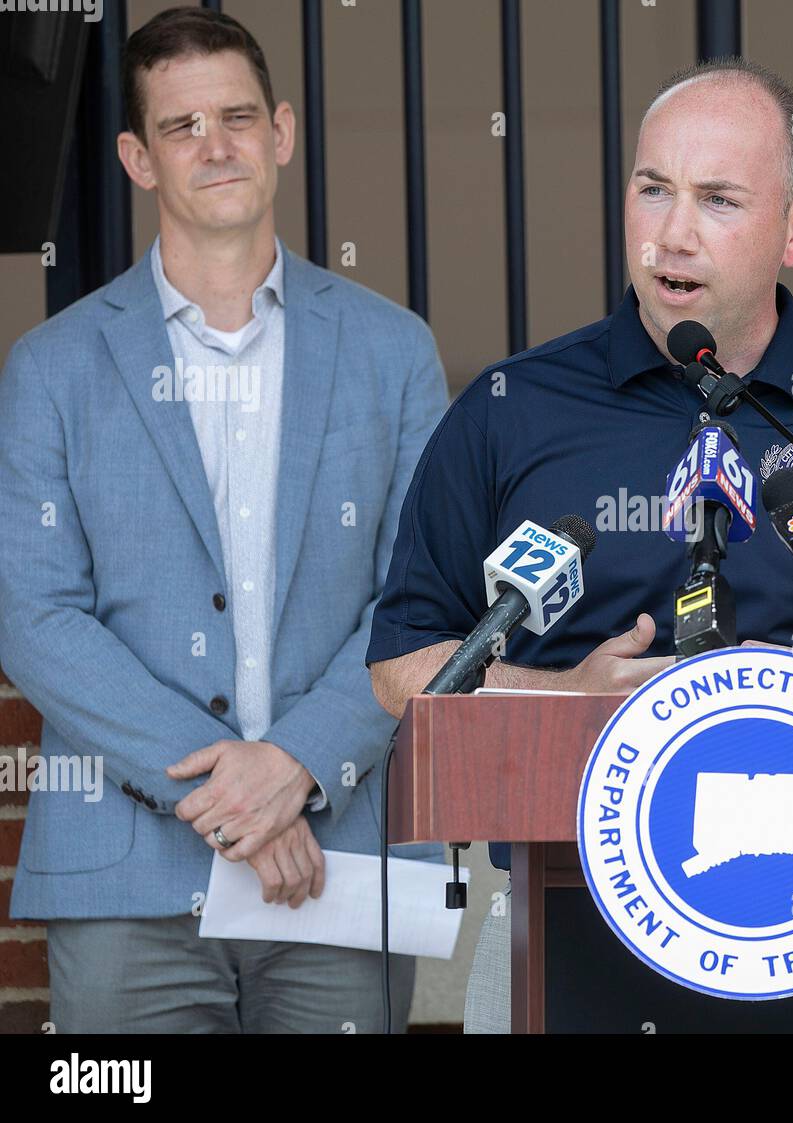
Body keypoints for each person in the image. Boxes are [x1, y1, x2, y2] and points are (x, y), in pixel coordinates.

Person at [367, 57, 793, 1032]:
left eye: (718, 199)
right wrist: (565, 699)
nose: (671, 231)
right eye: (652, 187)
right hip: (557, 915)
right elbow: (402, 669)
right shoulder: (507, 411)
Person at [0, 7, 447, 1032]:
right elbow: (35, 616)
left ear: (282, 132)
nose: (216, 147)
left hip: (342, 866)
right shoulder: (52, 367)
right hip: (126, 882)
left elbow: (423, 603)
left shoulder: (394, 350)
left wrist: (294, 764)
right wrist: (234, 796)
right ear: (137, 158)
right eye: (182, 126)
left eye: (238, 118)